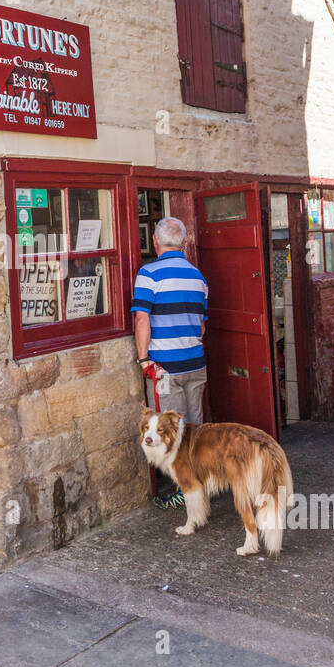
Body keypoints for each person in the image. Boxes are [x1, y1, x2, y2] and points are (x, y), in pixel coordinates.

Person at [131, 216, 208, 510]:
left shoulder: (149, 274)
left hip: (166, 367)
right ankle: (199, 485)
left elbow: (142, 318)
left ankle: (185, 491)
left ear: (154, 241)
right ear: (183, 242)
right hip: (195, 363)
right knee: (193, 429)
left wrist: (144, 359)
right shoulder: (198, 277)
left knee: (170, 434)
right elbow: (201, 326)